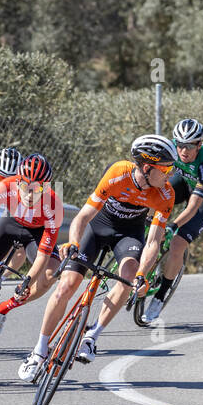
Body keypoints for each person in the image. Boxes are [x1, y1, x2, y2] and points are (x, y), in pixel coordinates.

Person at [18, 135, 177, 380]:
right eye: (166, 168)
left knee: (129, 276)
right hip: (97, 227)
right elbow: (82, 218)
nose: (170, 174)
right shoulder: (118, 173)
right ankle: (39, 350)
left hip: (128, 235)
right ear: (147, 167)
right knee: (66, 286)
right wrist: (71, 242)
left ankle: (92, 336)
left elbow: (153, 241)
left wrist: (142, 276)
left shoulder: (166, 194)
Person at [0, 154, 63, 338]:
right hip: (9, 225)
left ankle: (4, 308)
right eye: (25, 187)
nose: (30, 195)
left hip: (36, 234)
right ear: (18, 181)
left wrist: (27, 282)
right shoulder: (5, 187)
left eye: (37, 189)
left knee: (50, 274)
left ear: (46, 187)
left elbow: (42, 256)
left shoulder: (54, 205)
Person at [145, 118, 203, 321]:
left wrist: (172, 226)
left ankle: (160, 296)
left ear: (199, 144)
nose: (183, 151)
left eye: (189, 146)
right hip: (183, 182)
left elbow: (193, 206)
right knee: (153, 203)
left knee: (178, 244)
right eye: (180, 145)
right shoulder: (171, 149)